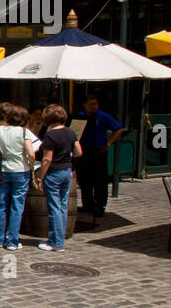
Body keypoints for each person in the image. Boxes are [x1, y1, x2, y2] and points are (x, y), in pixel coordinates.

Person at [0, 103, 38, 251]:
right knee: (17, 206)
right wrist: (31, 164)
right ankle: (12, 241)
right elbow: (31, 153)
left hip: (2, 170)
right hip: (20, 171)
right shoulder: (24, 132)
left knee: (0, 204)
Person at [34, 104, 81, 252]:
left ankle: (56, 242)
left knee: (54, 208)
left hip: (54, 173)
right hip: (67, 171)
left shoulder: (50, 135)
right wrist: (67, 155)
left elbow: (47, 159)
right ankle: (58, 239)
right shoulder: (70, 132)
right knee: (62, 206)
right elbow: (79, 152)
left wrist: (40, 178)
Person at [74, 95, 122, 223]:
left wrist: (108, 143)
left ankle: (100, 205)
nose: (94, 106)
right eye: (91, 104)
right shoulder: (80, 116)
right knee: (85, 180)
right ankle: (87, 205)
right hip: (84, 152)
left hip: (98, 152)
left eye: (95, 104)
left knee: (100, 180)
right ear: (85, 105)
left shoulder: (103, 116)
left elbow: (118, 129)